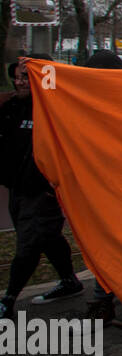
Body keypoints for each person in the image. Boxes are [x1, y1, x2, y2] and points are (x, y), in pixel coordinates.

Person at [0, 55, 83, 323]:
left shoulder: (53, 110)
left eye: (26, 76)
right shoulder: (12, 108)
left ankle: (9, 299)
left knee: (29, 243)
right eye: (17, 76)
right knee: (48, 237)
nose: (19, 81)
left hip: (43, 191)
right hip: (18, 190)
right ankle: (70, 281)